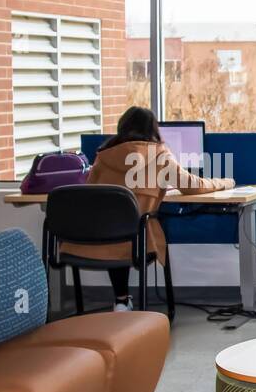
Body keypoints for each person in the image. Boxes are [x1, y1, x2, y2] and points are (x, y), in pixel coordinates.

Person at [63, 107, 234, 310]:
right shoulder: (160, 155)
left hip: (101, 238)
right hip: (140, 237)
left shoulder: (104, 155)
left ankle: (121, 301)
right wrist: (225, 182)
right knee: (127, 231)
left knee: (115, 230)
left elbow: (90, 192)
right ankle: (126, 303)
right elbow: (192, 185)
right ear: (153, 129)